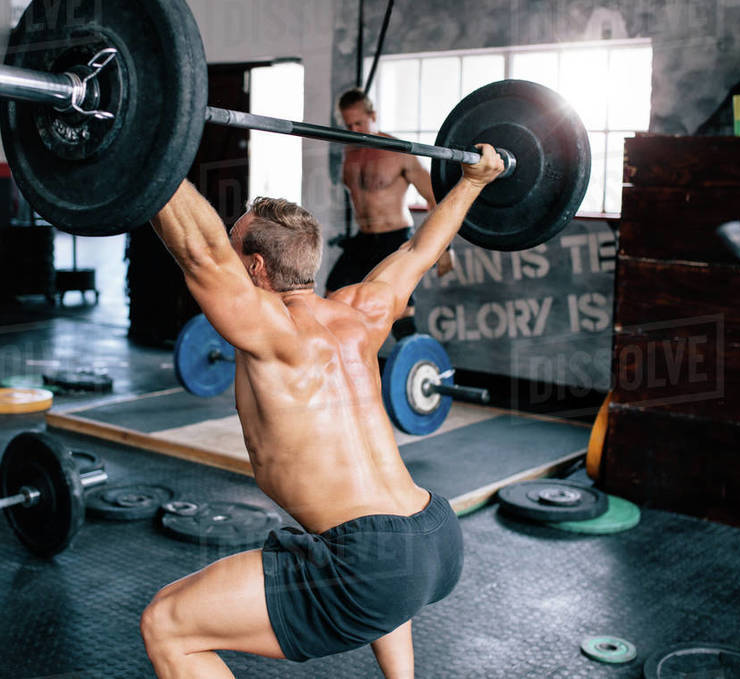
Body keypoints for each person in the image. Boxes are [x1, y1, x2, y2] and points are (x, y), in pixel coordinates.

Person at [140, 143, 507, 677]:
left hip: (372, 560)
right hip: (434, 535)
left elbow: (201, 253)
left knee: (167, 624)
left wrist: (149, 152)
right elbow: (418, 252)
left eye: (234, 243)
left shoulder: (272, 332)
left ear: (255, 266)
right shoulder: (363, 314)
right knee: (383, 570)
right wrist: (473, 182)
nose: (225, 249)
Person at [327, 88, 454, 339]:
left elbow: (435, 200)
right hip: (364, 239)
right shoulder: (349, 153)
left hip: (394, 238)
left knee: (399, 310)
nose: (354, 131)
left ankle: (415, 373)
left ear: (373, 115)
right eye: (348, 124)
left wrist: (444, 249)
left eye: (359, 123)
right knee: (332, 297)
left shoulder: (398, 152)